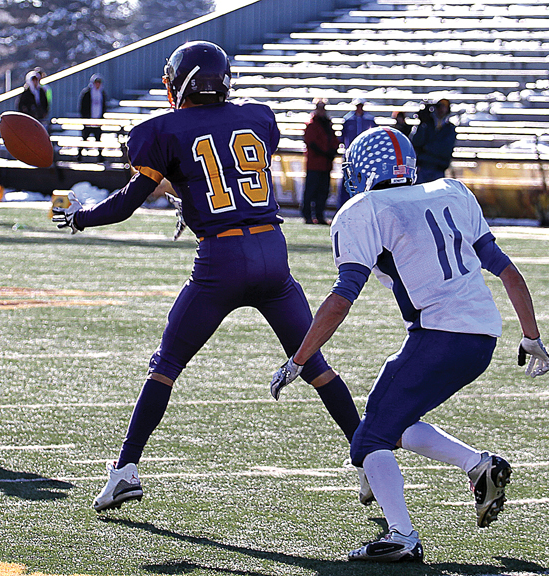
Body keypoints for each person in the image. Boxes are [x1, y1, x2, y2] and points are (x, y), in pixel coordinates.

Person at [53, 41, 363, 513]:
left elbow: (127, 204)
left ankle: (124, 472)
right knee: (316, 365)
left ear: (181, 81)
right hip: (272, 252)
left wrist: (81, 217)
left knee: (166, 365)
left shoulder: (164, 130)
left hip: (221, 260)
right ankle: (368, 464)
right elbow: (223, 167)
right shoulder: (257, 118)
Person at [270, 126, 549, 562]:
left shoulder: (364, 208)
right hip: (482, 338)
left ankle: (402, 535)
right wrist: (532, 337)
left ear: (362, 170)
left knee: (368, 441)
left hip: (439, 335)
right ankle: (478, 466)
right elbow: (509, 273)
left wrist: (299, 359)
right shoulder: (452, 192)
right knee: (393, 422)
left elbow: (342, 297)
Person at [302, 98, 339, 225]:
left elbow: (334, 140)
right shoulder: (312, 124)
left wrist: (333, 150)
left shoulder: (327, 124)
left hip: (326, 164)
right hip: (315, 163)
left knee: (323, 191)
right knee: (311, 190)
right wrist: (326, 153)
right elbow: (312, 143)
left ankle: (319, 215)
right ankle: (307, 215)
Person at [338, 98, 376, 208]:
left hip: (365, 157)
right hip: (350, 156)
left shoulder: (370, 119)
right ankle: (343, 206)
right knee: (347, 181)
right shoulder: (348, 119)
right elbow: (342, 138)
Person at [410, 98, 457, 184]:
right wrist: (422, 124)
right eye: (439, 106)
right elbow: (416, 142)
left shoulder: (450, 129)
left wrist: (426, 148)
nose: (441, 109)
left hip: (438, 167)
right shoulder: (427, 125)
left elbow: (445, 148)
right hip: (423, 167)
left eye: (444, 106)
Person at [78, 73, 107, 160]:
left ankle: (100, 155)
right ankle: (79, 154)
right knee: (84, 137)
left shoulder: (102, 93)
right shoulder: (87, 93)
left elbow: (104, 105)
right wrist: (85, 117)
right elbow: (82, 106)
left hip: (98, 120)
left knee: (98, 138)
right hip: (88, 120)